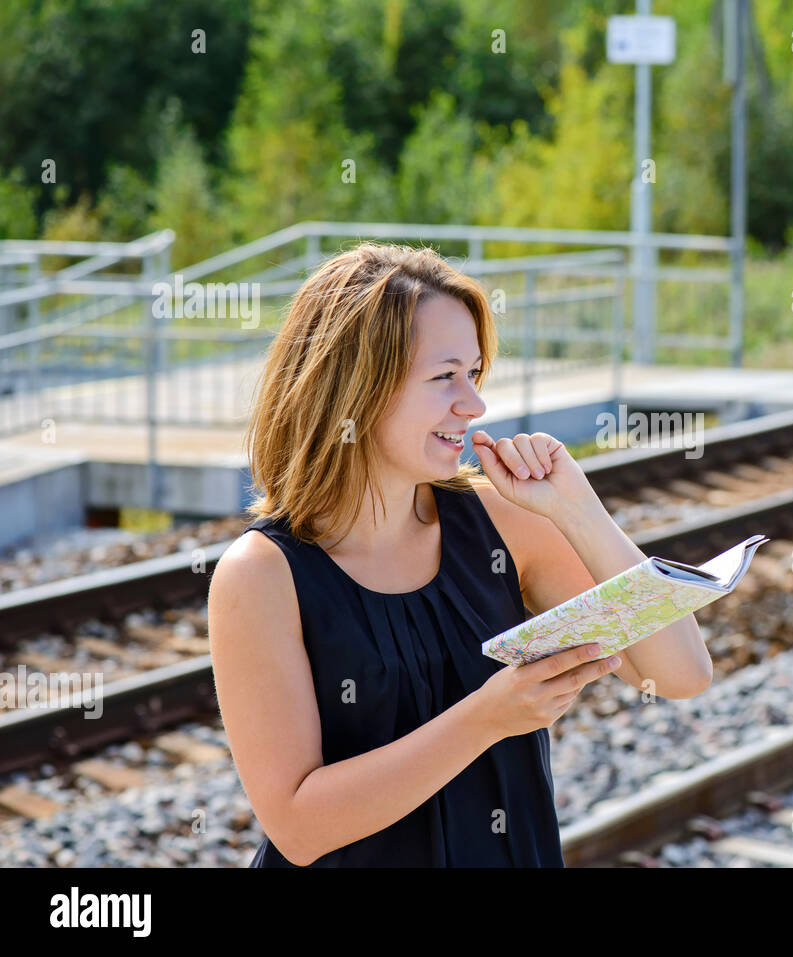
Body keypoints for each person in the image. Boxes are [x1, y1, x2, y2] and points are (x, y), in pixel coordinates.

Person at [208, 242, 713, 867]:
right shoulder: (261, 575)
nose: (473, 404)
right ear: (357, 388)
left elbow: (682, 673)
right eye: (445, 375)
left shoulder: (502, 524)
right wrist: (486, 719)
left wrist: (578, 510)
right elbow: (298, 825)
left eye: (473, 374)